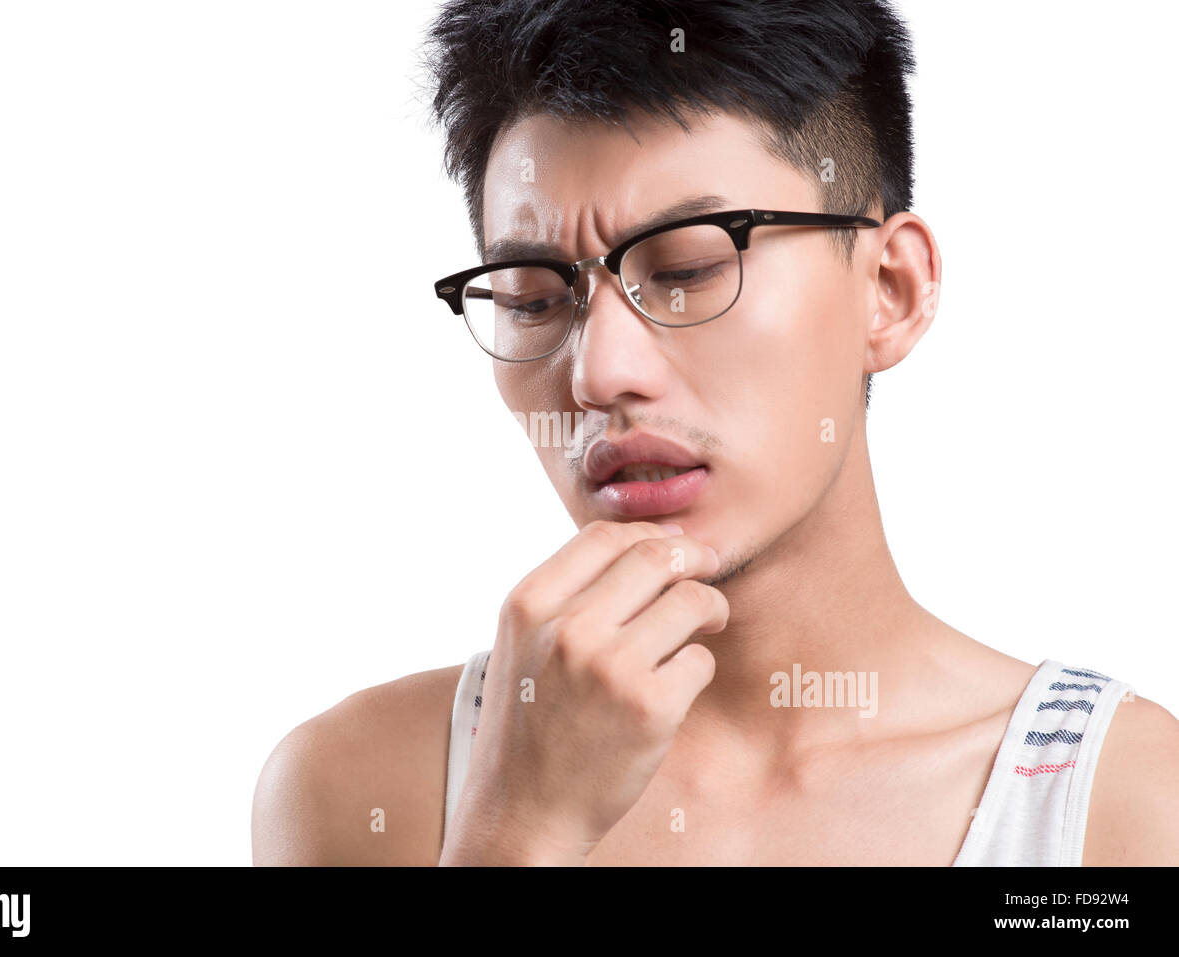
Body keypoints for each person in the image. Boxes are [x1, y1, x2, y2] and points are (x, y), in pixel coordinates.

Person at [251, 0, 1179, 865]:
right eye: (536, 296)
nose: (599, 371)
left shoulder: (1116, 808)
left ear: (888, 289)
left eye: (690, 268)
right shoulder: (358, 790)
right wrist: (517, 834)